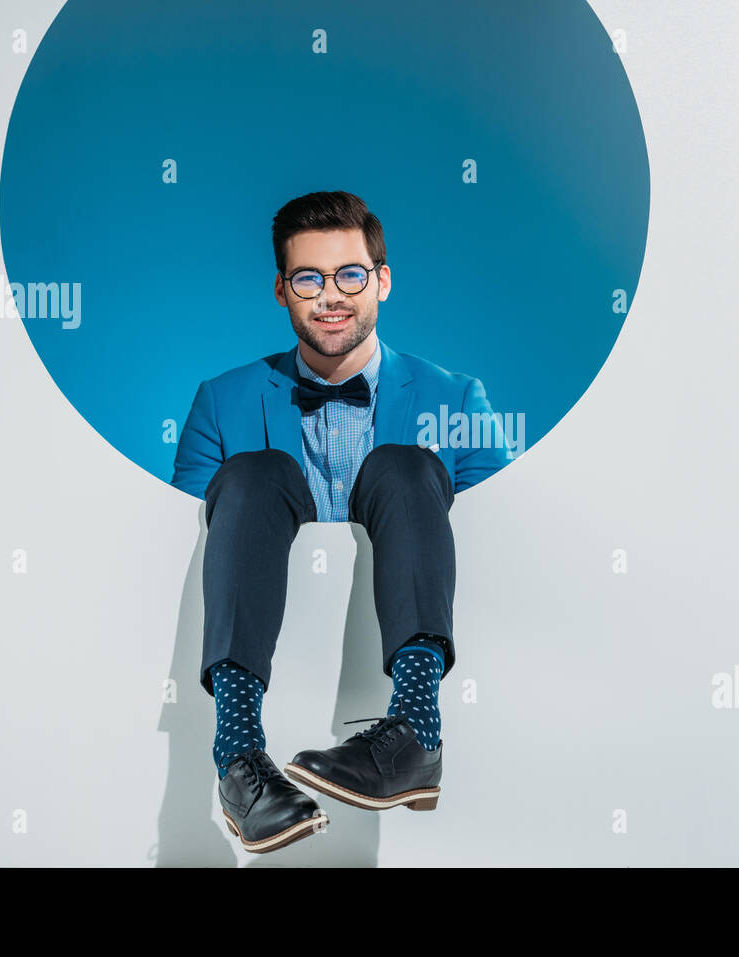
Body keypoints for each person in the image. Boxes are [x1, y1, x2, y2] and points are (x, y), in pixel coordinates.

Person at [171, 191, 514, 853]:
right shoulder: (220, 401)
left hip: (403, 640)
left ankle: (417, 729)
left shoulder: (459, 400)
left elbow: (499, 528)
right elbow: (183, 539)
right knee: (252, 472)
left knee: (408, 465)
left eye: (350, 274)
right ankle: (239, 757)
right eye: (308, 278)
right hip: (266, 630)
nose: (331, 295)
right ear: (281, 290)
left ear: (381, 279)